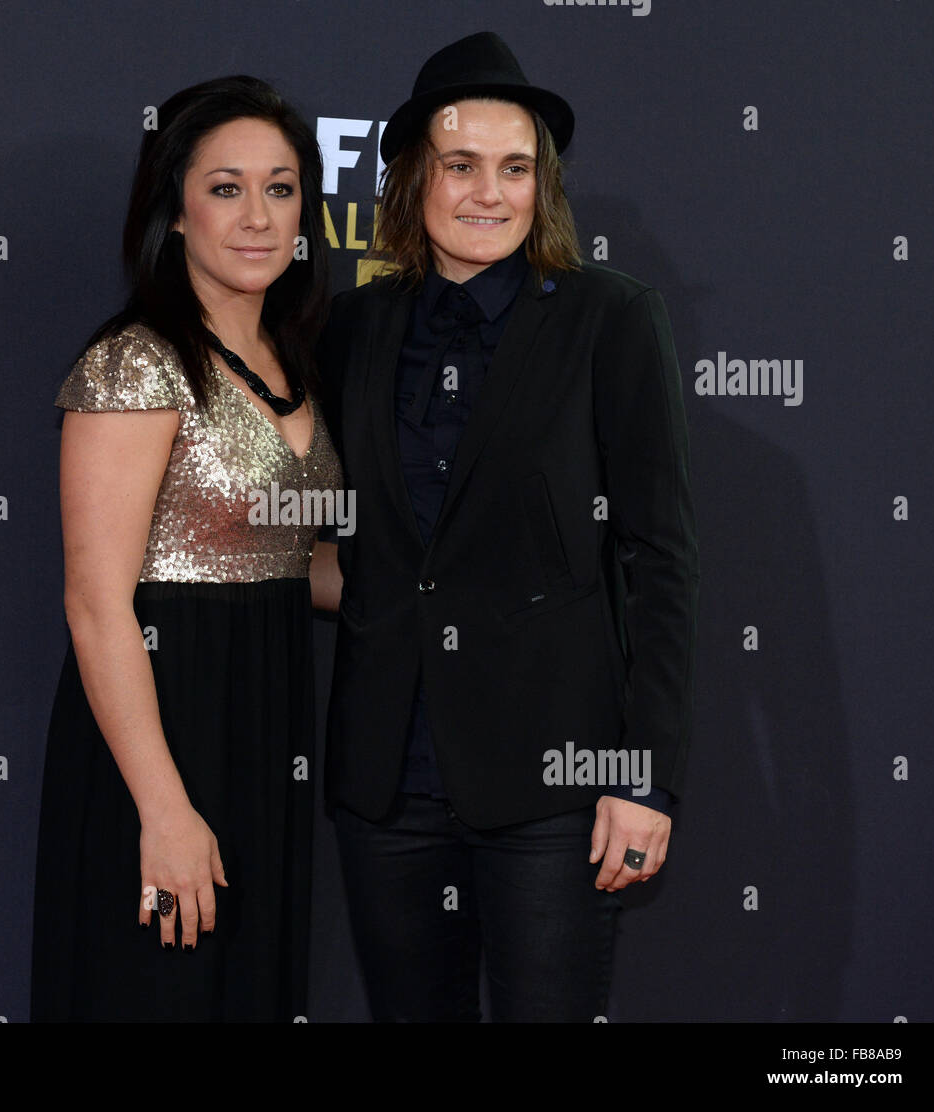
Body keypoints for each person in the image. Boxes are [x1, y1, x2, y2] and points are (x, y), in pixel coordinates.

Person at [314, 31, 700, 1021]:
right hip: (386, 785)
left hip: (554, 786)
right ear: (411, 180)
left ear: (543, 186)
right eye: (461, 165)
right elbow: (339, 532)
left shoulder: (607, 318)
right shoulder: (354, 328)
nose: (489, 192)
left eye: (516, 167)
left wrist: (643, 777)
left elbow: (659, 560)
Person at [30, 75, 341, 1021]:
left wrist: (455, 586)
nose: (257, 216)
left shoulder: (300, 362)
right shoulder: (135, 362)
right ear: (174, 212)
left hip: (270, 726)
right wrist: (163, 811)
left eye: (281, 188)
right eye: (225, 187)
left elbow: (301, 562)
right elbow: (96, 604)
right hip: (160, 735)